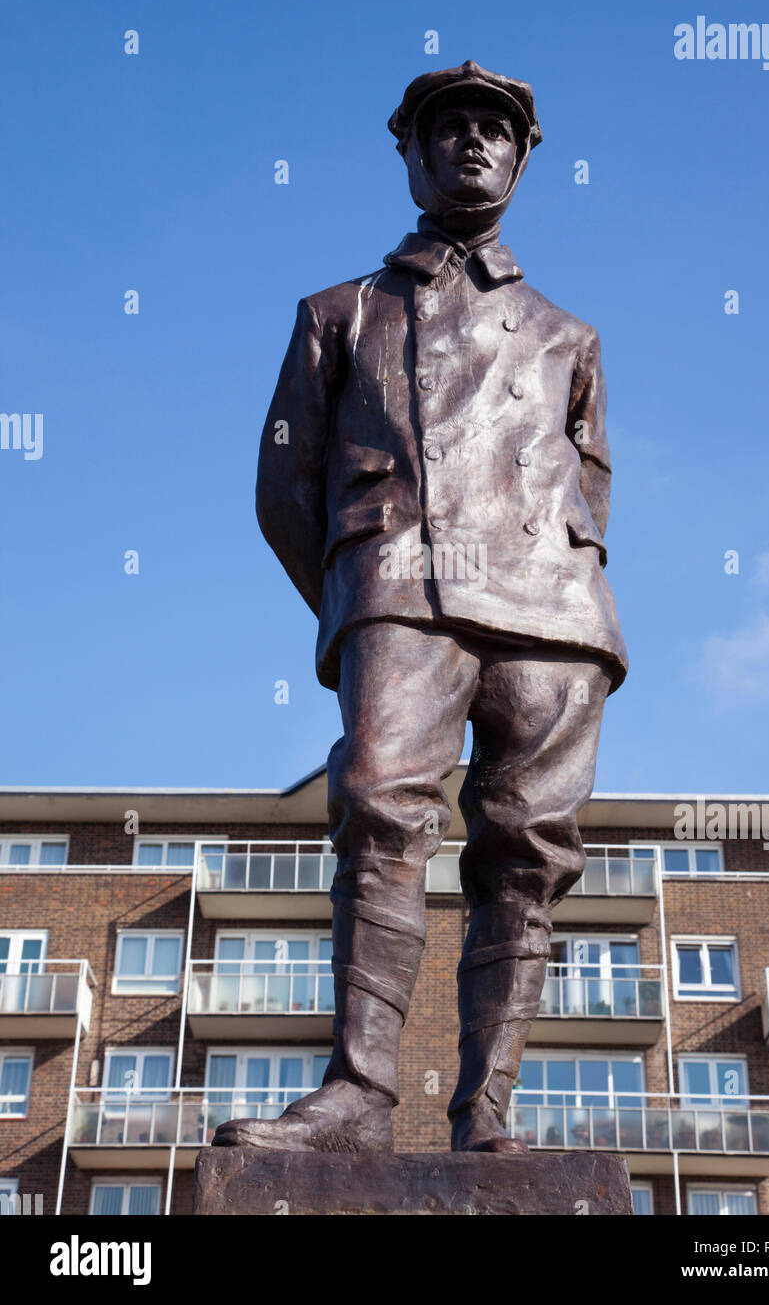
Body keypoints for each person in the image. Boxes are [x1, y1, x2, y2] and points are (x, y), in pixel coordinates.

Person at [214, 61, 627, 1154]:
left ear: (525, 158)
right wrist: (361, 603)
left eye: (497, 131)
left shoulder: (566, 336)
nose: (474, 144)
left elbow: (590, 490)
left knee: (526, 852)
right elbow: (280, 490)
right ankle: (357, 1093)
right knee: (378, 801)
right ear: (409, 151)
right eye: (449, 129)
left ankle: (486, 1112)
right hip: (401, 586)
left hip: (552, 616)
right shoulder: (337, 311)